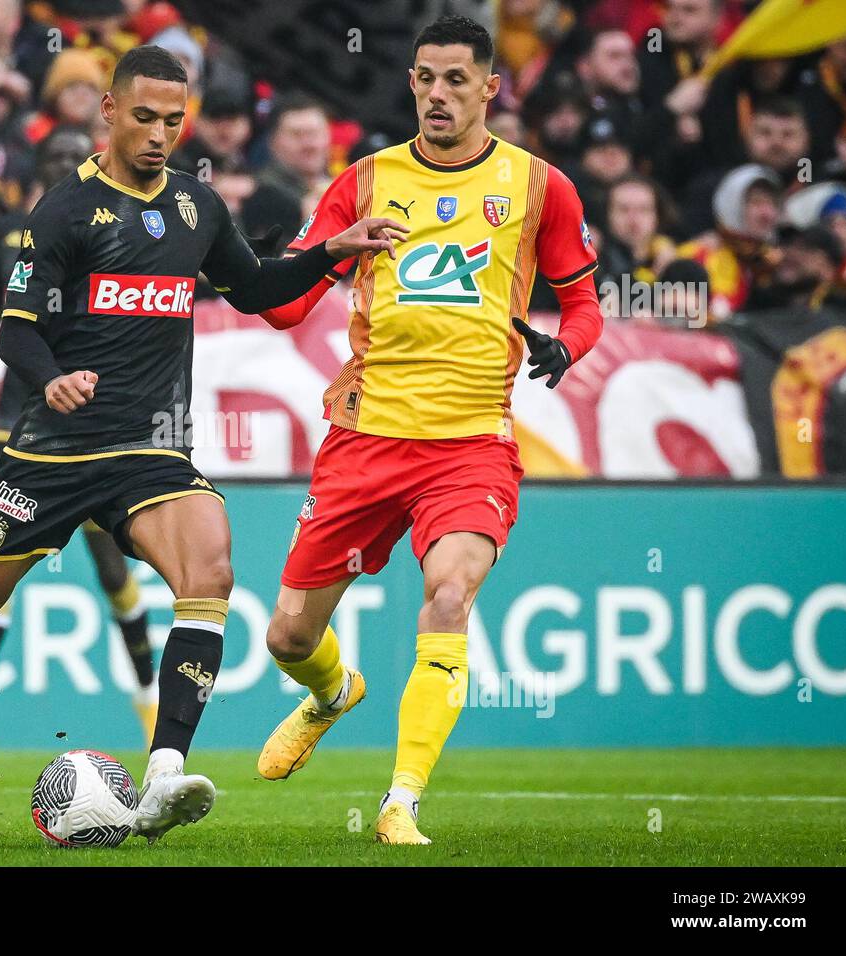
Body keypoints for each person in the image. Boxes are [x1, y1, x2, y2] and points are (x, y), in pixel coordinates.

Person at [0, 44, 405, 844]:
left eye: (173, 119)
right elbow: (17, 334)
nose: (160, 133)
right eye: (145, 117)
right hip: (50, 455)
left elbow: (256, 289)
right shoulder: (62, 213)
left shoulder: (198, 208)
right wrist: (51, 379)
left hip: (151, 451)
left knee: (211, 568)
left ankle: (161, 774)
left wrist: (330, 253)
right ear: (110, 111)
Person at [252, 16, 603, 845]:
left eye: (455, 80)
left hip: (472, 442)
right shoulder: (365, 181)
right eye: (424, 79)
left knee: (449, 593)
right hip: (365, 437)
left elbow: (585, 305)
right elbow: (281, 308)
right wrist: (318, 249)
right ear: (409, 83)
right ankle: (334, 692)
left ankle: (400, 802)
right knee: (288, 634)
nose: (437, 95)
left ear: (490, 88)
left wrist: (565, 345)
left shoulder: (539, 186)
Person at [0, 125, 161, 765]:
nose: (62, 167)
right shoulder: (13, 230)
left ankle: (151, 711)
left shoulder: (121, 225)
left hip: (94, 408)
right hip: (20, 405)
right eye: (51, 159)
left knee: (113, 569)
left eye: (70, 157)